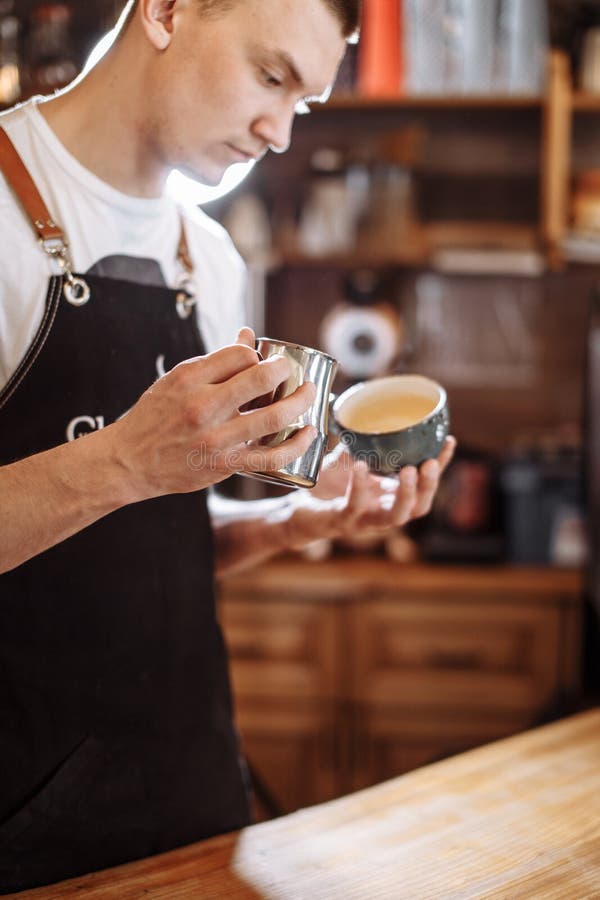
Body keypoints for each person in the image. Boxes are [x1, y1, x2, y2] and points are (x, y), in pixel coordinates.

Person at [0, 0, 456, 892]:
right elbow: (122, 480)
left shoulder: (205, 257)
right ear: (167, 11)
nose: (279, 132)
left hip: (190, 798)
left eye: (305, 104)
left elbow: (153, 543)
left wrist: (294, 519)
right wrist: (125, 457)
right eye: (272, 76)